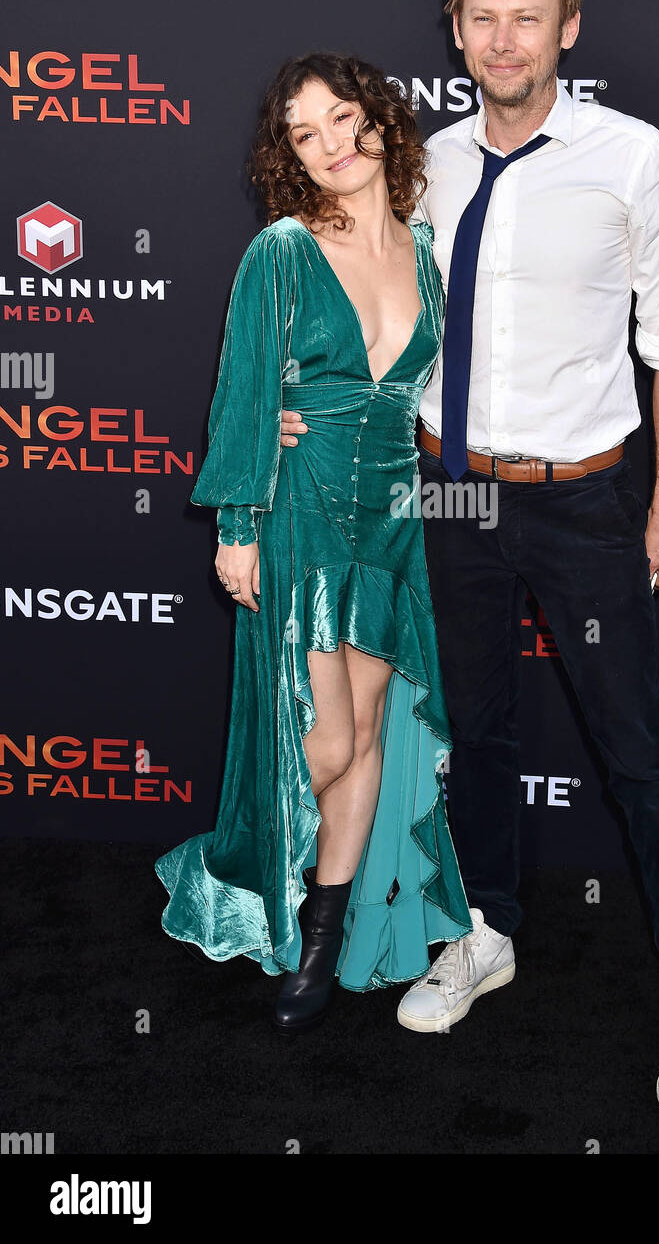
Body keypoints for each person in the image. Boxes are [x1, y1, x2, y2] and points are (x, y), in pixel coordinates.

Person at [284, 0, 659, 1115]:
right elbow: (360, 313)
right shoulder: (420, 163)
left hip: (585, 497)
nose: (502, 39)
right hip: (448, 490)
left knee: (637, 751)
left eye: (526, 18)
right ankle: (483, 926)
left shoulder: (632, 159)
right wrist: (294, 414)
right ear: (456, 29)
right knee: (472, 735)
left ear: (567, 30)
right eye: (482, 18)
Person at [155, 51, 472, 1034]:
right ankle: (245, 874)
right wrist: (238, 526)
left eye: (343, 119)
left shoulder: (425, 249)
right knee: (324, 737)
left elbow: (434, 399)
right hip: (294, 509)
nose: (331, 144)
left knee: (371, 733)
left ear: (380, 122)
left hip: (389, 516)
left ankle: (322, 940)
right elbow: (245, 391)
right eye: (305, 133)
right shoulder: (283, 250)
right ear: (288, 155)